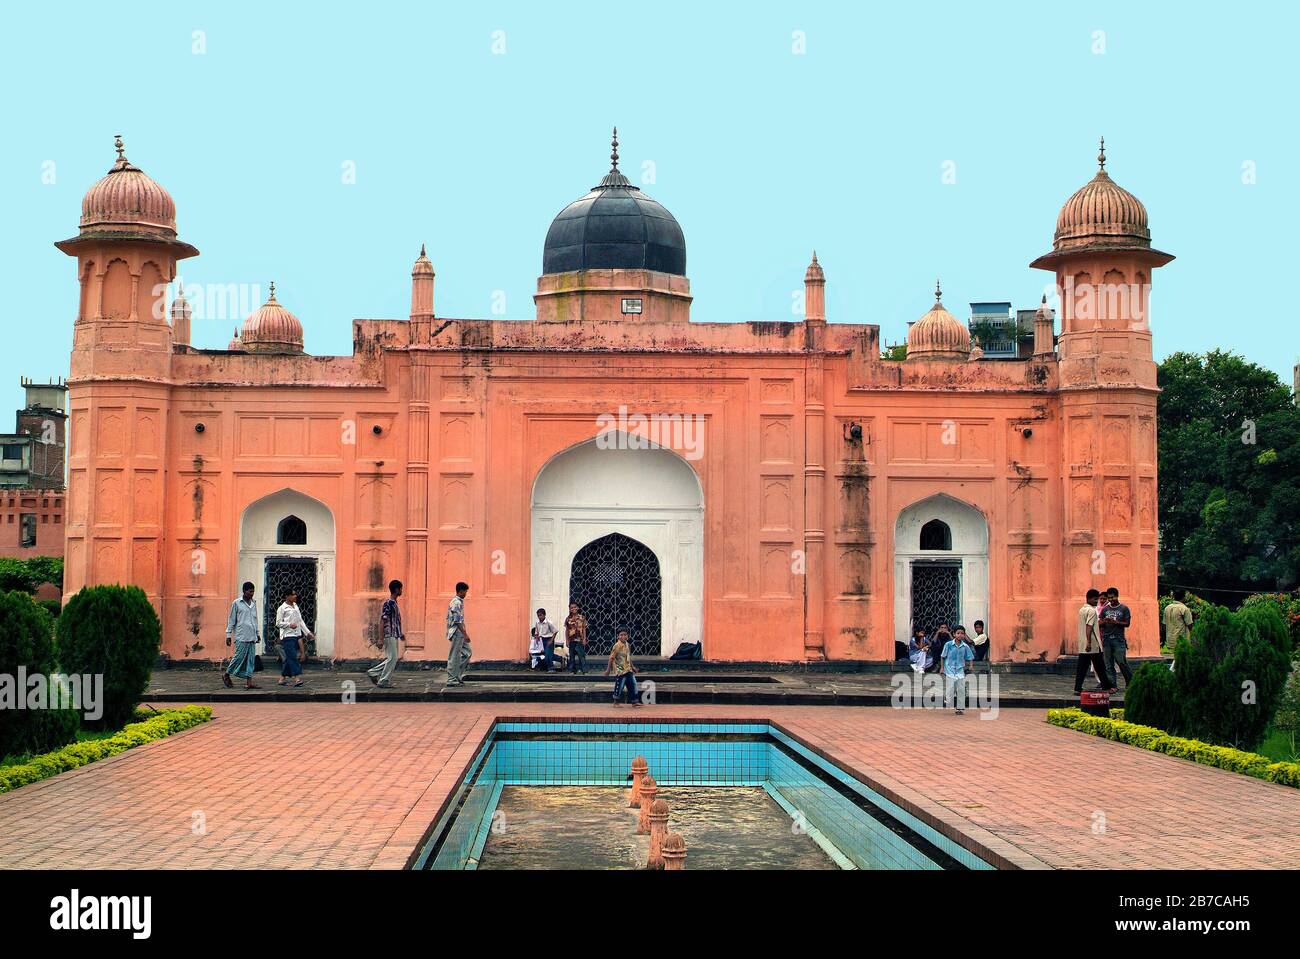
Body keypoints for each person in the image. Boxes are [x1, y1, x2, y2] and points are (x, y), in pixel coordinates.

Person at [223, 581, 261, 690]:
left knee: (250, 660)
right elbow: (231, 620)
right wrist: (228, 635)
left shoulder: (254, 603)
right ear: (244, 591)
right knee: (238, 657)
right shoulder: (236, 603)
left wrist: (257, 633)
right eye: (250, 591)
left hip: (252, 636)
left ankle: (249, 682)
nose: (252, 594)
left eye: (253, 591)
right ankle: (226, 674)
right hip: (241, 636)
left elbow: (255, 619)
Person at [1074, 588, 1112, 692]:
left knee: (1082, 667)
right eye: (1095, 599)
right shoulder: (1091, 611)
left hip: (1083, 644)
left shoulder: (1082, 610)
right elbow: (1089, 626)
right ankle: (1106, 686)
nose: (1097, 601)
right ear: (1090, 599)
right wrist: (1089, 642)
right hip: (1092, 644)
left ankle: (1078, 687)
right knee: (1100, 666)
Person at [368, 580, 403, 688]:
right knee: (393, 658)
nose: (402, 591)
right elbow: (383, 620)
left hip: (394, 634)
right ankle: (383, 680)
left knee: (392, 658)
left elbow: (395, 621)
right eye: (401, 588)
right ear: (397, 589)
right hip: (389, 634)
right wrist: (380, 638)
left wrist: (400, 633)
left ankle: (374, 673)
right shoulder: (389, 603)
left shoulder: (394, 603)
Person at [275, 588, 313, 688]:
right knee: (292, 656)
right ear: (287, 596)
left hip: (295, 635)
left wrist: (307, 632)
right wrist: (289, 624)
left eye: (295, 594)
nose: (295, 596)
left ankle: (282, 678)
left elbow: (300, 621)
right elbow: (278, 623)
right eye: (293, 595)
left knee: (288, 658)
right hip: (287, 636)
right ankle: (296, 678)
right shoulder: (282, 608)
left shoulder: (295, 606)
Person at [1100, 587, 1133, 688]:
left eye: (1112, 597)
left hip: (1118, 640)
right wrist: (1104, 621)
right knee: (1108, 665)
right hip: (1106, 640)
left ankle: (1130, 681)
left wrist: (1116, 622)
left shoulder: (1124, 609)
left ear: (1117, 596)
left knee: (1121, 662)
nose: (1110, 600)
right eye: (1109, 598)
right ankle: (1112, 685)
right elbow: (1099, 623)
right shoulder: (1105, 609)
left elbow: (1127, 624)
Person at [940, 627, 975, 714]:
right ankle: (947, 698)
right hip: (949, 669)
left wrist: (971, 666)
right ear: (954, 634)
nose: (960, 635)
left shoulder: (965, 646)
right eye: (958, 633)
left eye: (962, 633)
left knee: (961, 689)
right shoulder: (948, 645)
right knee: (951, 687)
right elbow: (943, 656)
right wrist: (942, 668)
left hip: (960, 670)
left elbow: (970, 657)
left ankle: (960, 708)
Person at [446, 581, 471, 686]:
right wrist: (465, 634)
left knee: (467, 653)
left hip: (459, 632)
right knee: (454, 656)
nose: (466, 593)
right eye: (465, 591)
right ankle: (452, 679)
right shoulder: (456, 602)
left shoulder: (458, 601)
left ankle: (456, 675)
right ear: (461, 591)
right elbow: (457, 620)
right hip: (457, 632)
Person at [605, 628, 639, 706]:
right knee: (620, 685)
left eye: (625, 635)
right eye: (621, 635)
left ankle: (635, 701)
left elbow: (628, 657)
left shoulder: (628, 645)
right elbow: (611, 658)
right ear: (618, 636)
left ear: (628, 636)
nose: (623, 636)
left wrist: (633, 667)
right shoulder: (616, 646)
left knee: (633, 684)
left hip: (628, 668)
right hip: (620, 669)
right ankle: (616, 702)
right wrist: (608, 670)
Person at [565, 602, 589, 674]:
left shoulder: (582, 618)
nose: (573, 609)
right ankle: (572, 670)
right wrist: (567, 640)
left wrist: (584, 639)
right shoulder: (568, 619)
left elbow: (584, 628)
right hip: (571, 639)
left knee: (581, 655)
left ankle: (584, 670)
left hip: (580, 639)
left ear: (578, 608)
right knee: (572, 656)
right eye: (571, 608)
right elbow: (567, 630)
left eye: (575, 607)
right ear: (569, 609)